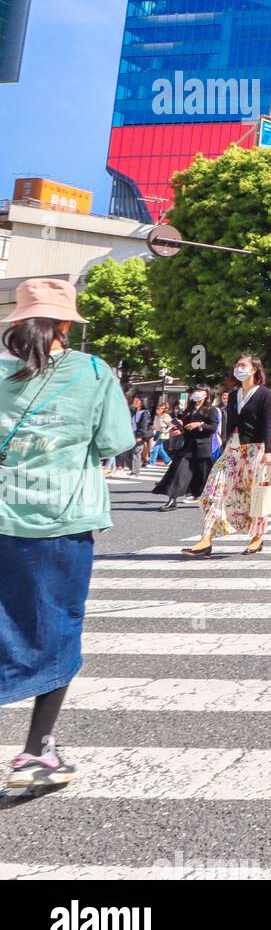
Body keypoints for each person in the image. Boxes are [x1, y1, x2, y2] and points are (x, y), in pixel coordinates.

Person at [0, 279, 135, 789]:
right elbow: (114, 440)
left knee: (6, 624)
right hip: (63, 519)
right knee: (56, 629)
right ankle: (37, 751)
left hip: (3, 515)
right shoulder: (94, 370)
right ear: (64, 325)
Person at [182, 354, 271, 557]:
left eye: (243, 365)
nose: (238, 368)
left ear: (254, 369)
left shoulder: (264, 394)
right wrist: (224, 445)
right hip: (233, 448)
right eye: (236, 365)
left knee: (255, 494)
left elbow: (268, 423)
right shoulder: (233, 394)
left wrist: (269, 452)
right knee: (213, 490)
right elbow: (230, 421)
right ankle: (206, 539)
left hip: (256, 448)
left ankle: (257, 537)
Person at [152, 387, 217, 511]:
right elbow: (185, 426)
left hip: (202, 448)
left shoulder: (211, 410)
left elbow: (213, 427)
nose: (197, 394)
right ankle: (172, 500)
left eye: (200, 391)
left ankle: (209, 500)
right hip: (187, 447)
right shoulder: (189, 409)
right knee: (178, 471)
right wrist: (179, 430)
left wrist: (200, 424)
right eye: (196, 391)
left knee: (204, 477)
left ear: (206, 395)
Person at [148, 400, 173, 467]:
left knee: (155, 447)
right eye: (158, 408)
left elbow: (171, 425)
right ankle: (168, 460)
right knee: (160, 449)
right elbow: (155, 425)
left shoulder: (166, 416)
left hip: (163, 433)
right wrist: (152, 428)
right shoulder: (156, 416)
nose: (159, 410)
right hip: (157, 432)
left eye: (162, 408)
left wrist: (167, 430)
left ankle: (151, 462)